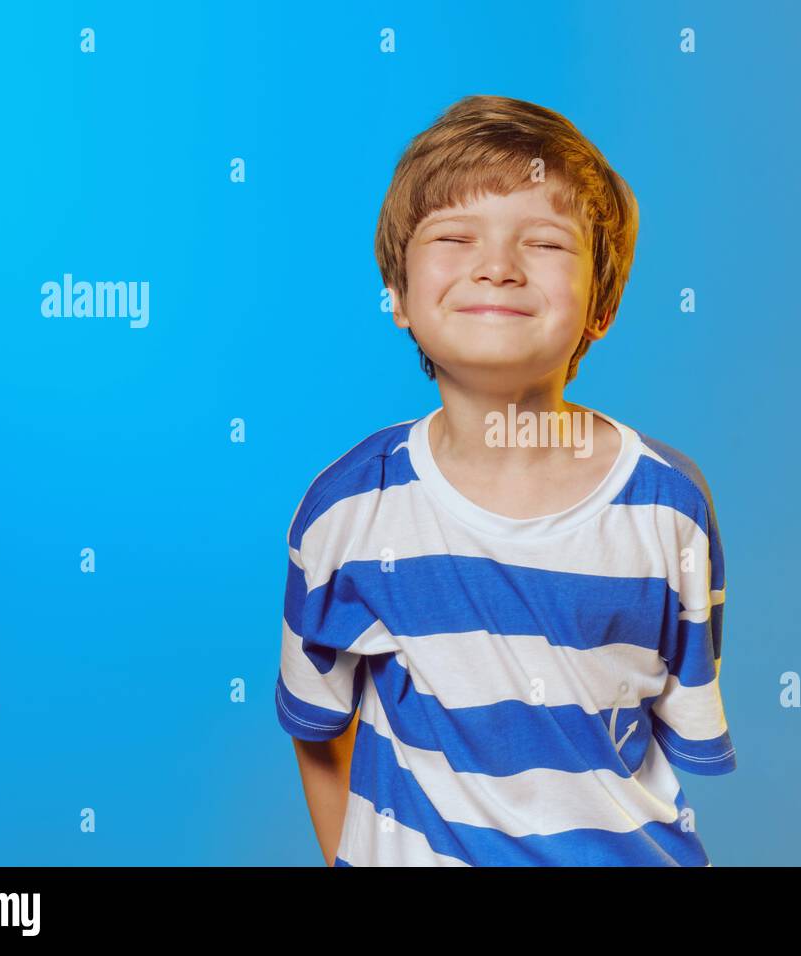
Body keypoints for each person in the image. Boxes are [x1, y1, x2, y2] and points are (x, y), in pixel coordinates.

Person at [277, 94, 735, 866]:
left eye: (547, 243)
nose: (497, 266)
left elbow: (672, 727)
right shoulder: (347, 511)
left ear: (602, 307)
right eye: (455, 236)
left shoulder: (668, 510)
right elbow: (318, 733)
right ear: (398, 296)